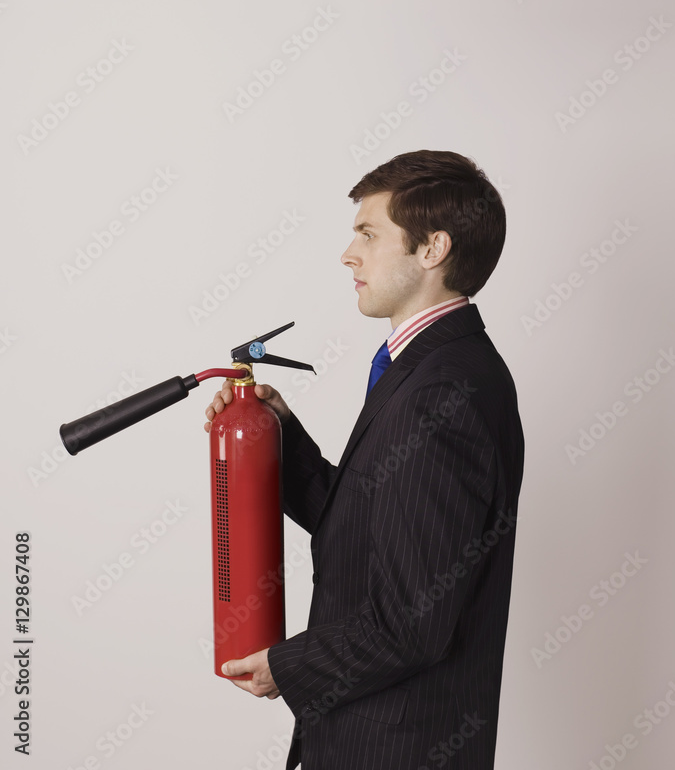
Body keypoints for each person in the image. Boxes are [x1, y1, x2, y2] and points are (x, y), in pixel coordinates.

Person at [205, 149, 525, 770]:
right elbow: (374, 529)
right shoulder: (429, 367)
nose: (348, 254)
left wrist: (286, 666)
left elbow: (412, 623)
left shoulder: (440, 392)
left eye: (368, 234)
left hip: (396, 748)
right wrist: (279, 436)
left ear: (432, 249)